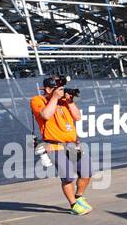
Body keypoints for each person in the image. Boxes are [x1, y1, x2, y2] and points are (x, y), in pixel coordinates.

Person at [29, 77, 91, 215]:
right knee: (68, 176)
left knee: (86, 173)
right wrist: (55, 98)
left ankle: (79, 197)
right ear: (48, 89)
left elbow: (77, 117)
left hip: (72, 144)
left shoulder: (64, 102)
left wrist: (70, 101)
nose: (60, 91)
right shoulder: (37, 100)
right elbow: (45, 115)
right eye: (57, 89)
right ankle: (73, 205)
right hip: (55, 145)